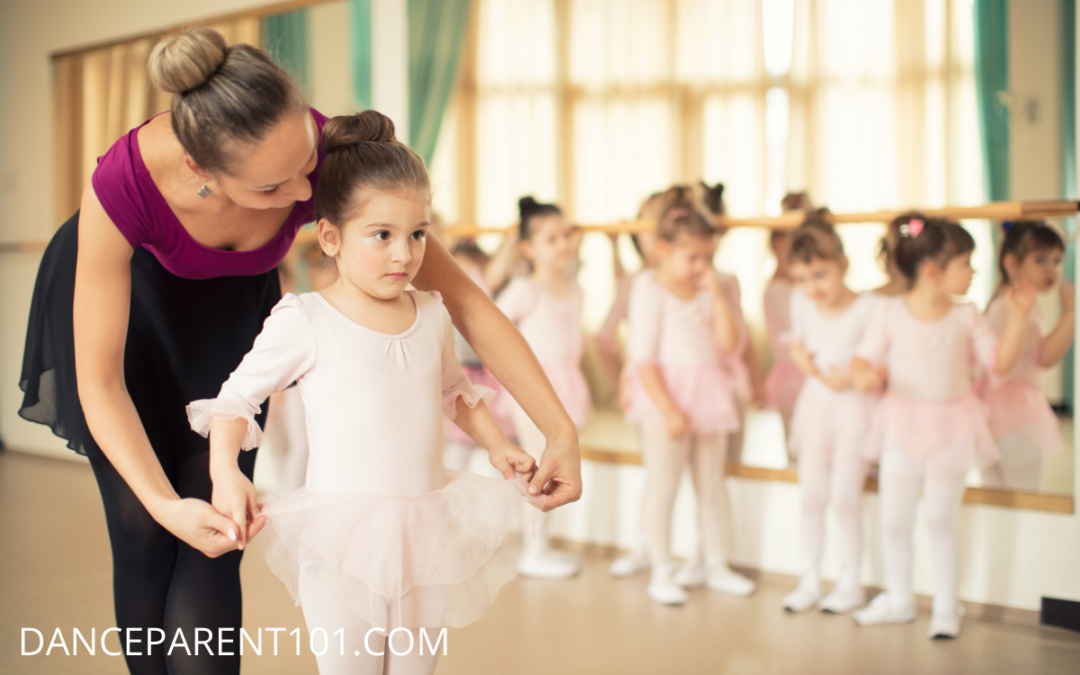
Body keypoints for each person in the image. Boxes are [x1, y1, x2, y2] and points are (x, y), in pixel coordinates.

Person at [16, 27, 581, 675]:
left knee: (218, 537)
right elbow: (101, 382)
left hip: (228, 310)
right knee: (145, 532)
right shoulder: (124, 184)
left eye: (303, 170)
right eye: (270, 189)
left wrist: (558, 428)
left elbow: (468, 302)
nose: (301, 200)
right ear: (203, 172)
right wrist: (163, 504)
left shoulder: (320, 155)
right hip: (128, 314)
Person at [188, 111, 545, 675]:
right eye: (382, 236)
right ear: (330, 236)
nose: (404, 255)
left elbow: (453, 389)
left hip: (425, 531)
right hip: (343, 542)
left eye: (418, 235)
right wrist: (226, 470)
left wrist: (497, 445)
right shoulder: (307, 318)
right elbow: (234, 401)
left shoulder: (430, 312)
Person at [850, 217, 1035, 639]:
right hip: (900, 423)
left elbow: (1000, 365)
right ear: (933, 272)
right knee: (895, 520)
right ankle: (899, 600)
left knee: (939, 517)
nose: (972, 272)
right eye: (966, 263)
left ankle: (946, 606)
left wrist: (1020, 320)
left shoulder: (966, 315)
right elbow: (864, 359)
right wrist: (864, 374)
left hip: (952, 425)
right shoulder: (889, 311)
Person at [622, 200, 756, 605]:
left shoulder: (708, 290)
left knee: (711, 484)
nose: (702, 266)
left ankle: (716, 564)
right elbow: (642, 357)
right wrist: (668, 409)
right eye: (692, 257)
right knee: (664, 483)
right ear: (662, 248)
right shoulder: (648, 288)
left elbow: (730, 346)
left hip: (708, 392)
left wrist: (717, 299)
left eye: (708, 257)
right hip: (666, 395)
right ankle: (661, 569)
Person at [780, 221, 877, 614]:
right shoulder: (801, 302)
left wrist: (851, 374)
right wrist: (802, 360)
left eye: (821, 275)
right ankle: (809, 577)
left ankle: (850, 580)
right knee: (812, 495)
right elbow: (798, 345)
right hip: (816, 407)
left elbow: (875, 358)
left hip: (854, 410)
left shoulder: (868, 306)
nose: (813, 286)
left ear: (843, 264)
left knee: (843, 497)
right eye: (802, 278)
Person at [497, 196, 593, 579]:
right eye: (551, 239)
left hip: (567, 382)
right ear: (528, 249)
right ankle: (532, 549)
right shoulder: (525, 289)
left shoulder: (576, 289)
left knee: (558, 466)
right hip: (534, 388)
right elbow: (495, 330)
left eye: (566, 236)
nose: (563, 245)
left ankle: (541, 545)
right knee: (539, 468)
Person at [978, 220, 1074, 490]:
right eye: (1041, 259)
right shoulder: (1019, 309)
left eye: (1057, 261)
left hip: (992, 408)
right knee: (1024, 494)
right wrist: (1069, 315)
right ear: (1012, 264)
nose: (1051, 270)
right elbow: (1045, 357)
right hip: (1014, 412)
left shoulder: (1001, 302)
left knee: (998, 493)